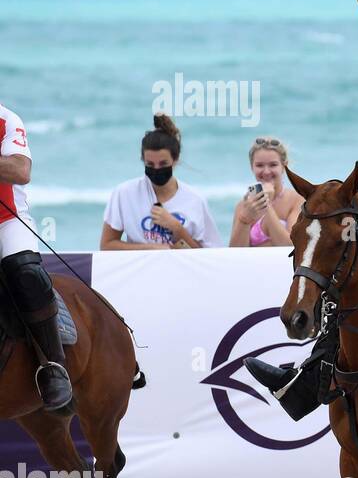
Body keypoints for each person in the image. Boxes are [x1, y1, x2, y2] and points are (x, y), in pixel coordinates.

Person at [0, 102, 73, 412]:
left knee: (26, 272)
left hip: (7, 220)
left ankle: (53, 366)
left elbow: (20, 170)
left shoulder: (6, 119)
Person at [101, 115, 220, 250]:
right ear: (143, 160)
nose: (156, 169)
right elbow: (107, 245)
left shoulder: (195, 200)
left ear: (175, 160)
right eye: (150, 164)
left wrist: (176, 228)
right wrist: (151, 249)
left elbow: (208, 256)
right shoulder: (124, 194)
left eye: (163, 163)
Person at [229, 136, 305, 247]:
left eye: (273, 165)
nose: (266, 171)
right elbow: (234, 254)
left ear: (284, 166)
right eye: (259, 165)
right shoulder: (243, 205)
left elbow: (290, 248)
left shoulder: (296, 201)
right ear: (252, 167)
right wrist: (244, 219)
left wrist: (265, 204)